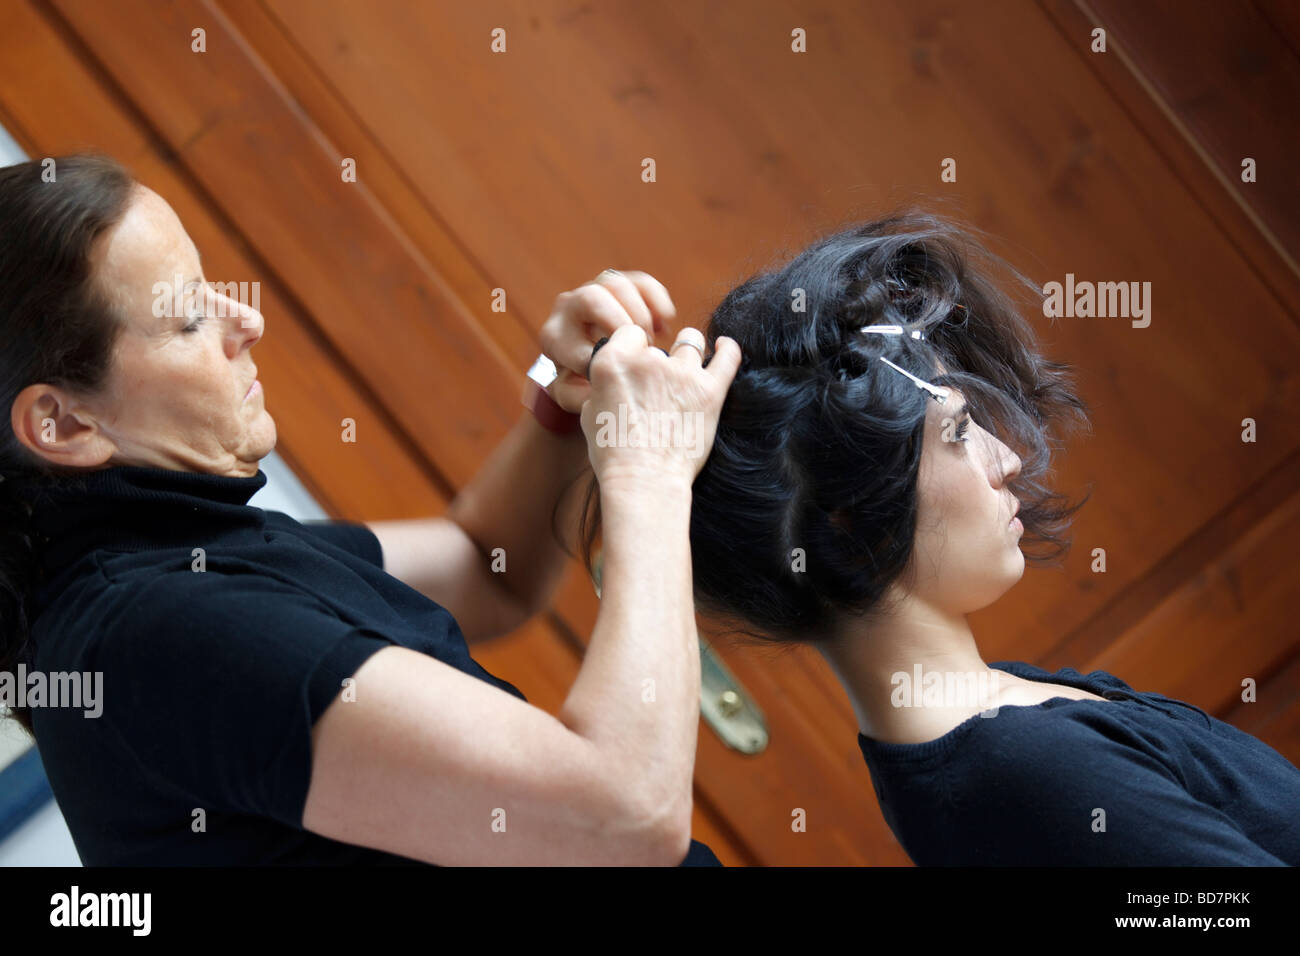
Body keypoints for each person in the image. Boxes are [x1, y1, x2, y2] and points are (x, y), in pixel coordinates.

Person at [0, 152, 740, 866]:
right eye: (189, 318)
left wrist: (556, 399)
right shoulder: (153, 631)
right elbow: (622, 814)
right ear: (64, 426)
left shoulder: (189, 561)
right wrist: (649, 470)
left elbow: (487, 566)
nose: (245, 322)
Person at [577, 211, 1300, 865]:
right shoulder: (1027, 771)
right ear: (850, 520)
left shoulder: (1007, 725)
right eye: (958, 432)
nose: (1008, 459)